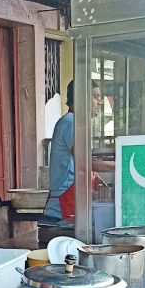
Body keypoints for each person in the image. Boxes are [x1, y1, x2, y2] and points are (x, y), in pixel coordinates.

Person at [44, 79, 106, 221]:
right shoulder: (71, 123)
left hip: (70, 207)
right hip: (61, 212)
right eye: (95, 96)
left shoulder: (74, 122)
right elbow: (83, 162)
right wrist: (120, 166)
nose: (99, 102)